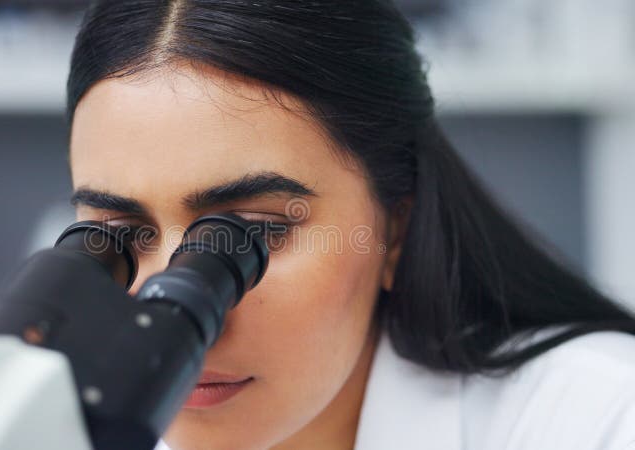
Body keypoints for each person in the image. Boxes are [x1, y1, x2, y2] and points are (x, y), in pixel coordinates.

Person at [64, 1, 635, 449]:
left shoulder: (599, 418)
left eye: (249, 234)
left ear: (396, 229)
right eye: (118, 236)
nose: (165, 311)